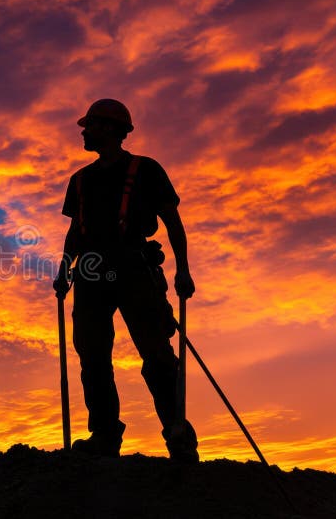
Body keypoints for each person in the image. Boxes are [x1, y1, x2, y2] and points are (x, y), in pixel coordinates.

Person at [53, 98, 199, 463]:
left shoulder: (146, 170)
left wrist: (183, 268)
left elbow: (172, 221)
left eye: (91, 126)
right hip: (90, 274)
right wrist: (64, 270)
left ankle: (178, 436)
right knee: (92, 355)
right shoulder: (80, 180)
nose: (84, 132)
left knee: (156, 354)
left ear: (111, 129)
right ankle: (104, 435)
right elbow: (75, 230)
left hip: (135, 269)